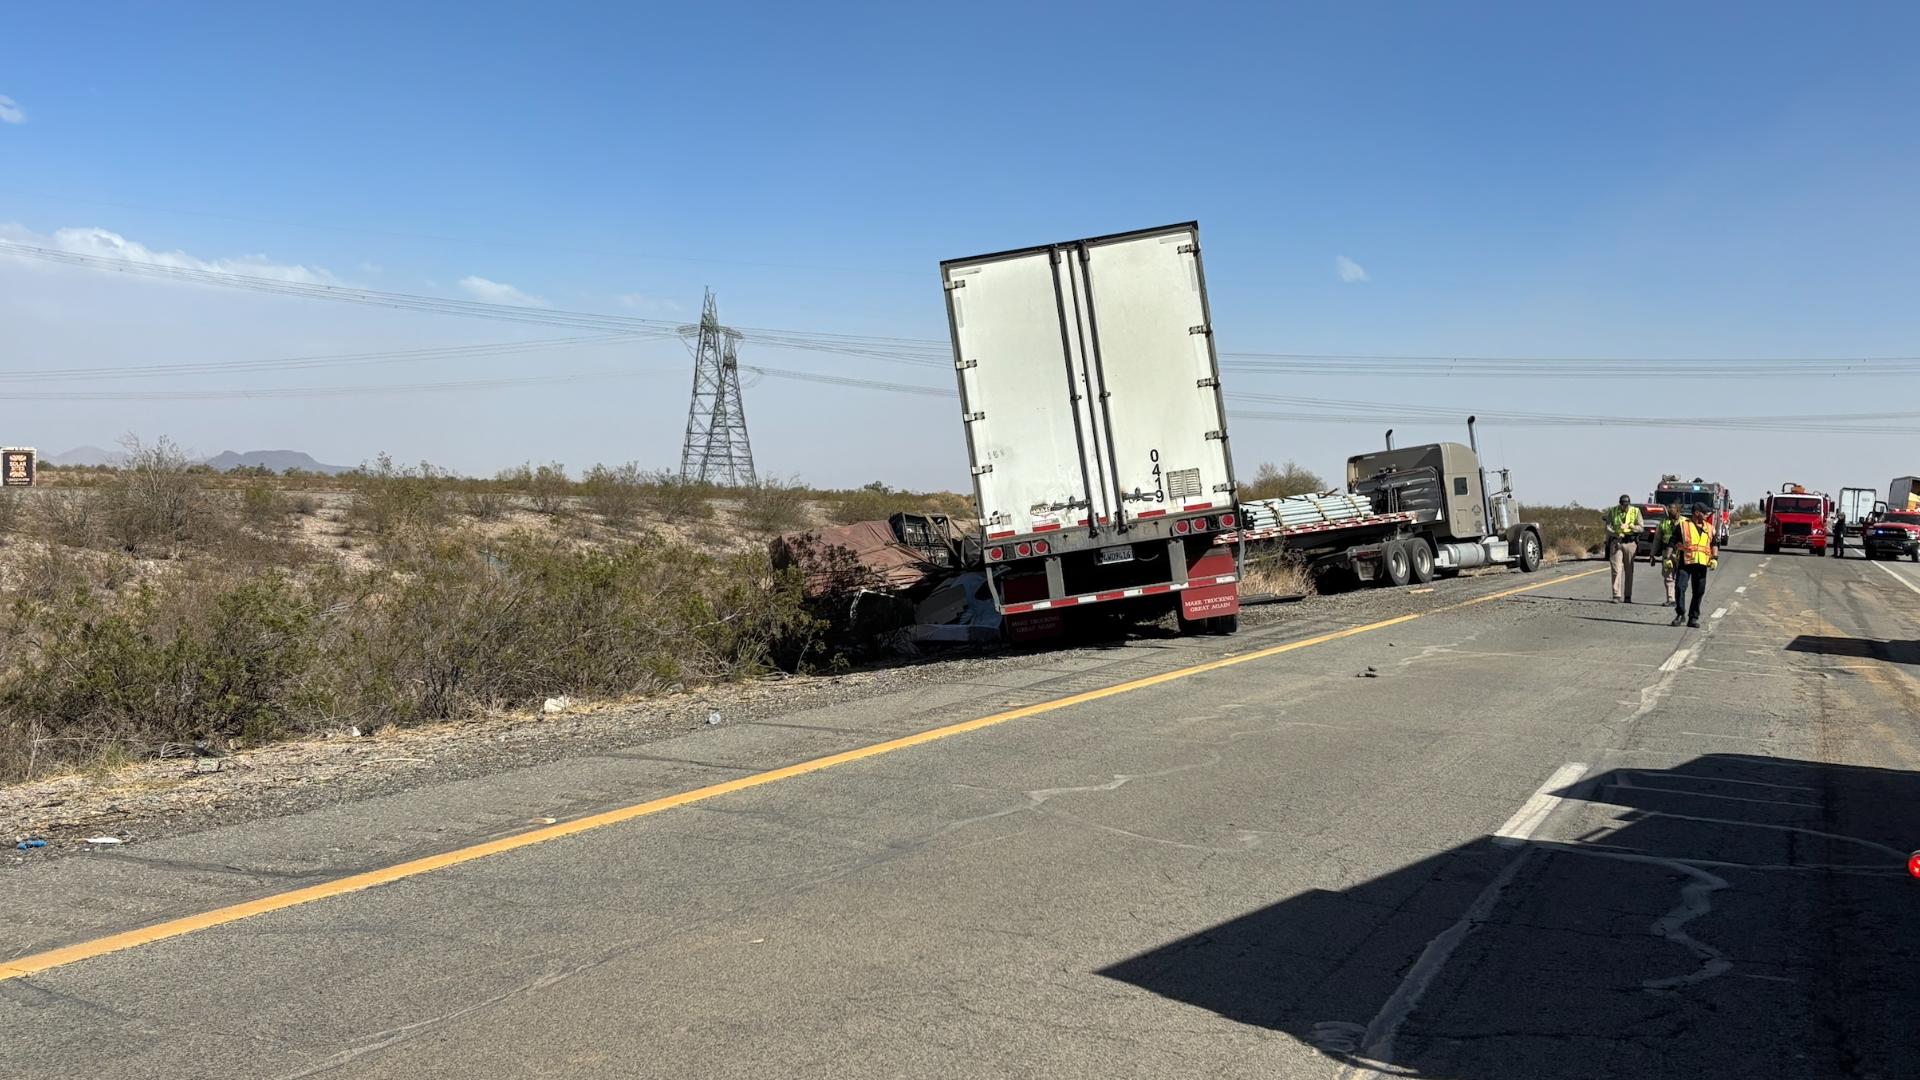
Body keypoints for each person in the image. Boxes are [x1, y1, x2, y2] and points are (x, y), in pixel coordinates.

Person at [1672, 503, 1719, 628]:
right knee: (1679, 587)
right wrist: (1667, 557)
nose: (1707, 515)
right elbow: (1672, 541)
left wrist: (1714, 558)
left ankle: (1693, 618)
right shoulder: (1683, 526)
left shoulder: (1709, 527)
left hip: (1701, 564)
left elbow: (1714, 543)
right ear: (1697, 513)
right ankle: (1680, 614)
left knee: (1699, 591)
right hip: (1685, 562)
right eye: (1705, 513)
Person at [1603, 495, 1642, 603]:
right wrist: (1615, 533)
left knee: (1629, 570)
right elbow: (1607, 527)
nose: (1624, 506)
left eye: (1626, 504)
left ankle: (1628, 595)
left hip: (1630, 543)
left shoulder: (1635, 511)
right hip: (1617, 541)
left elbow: (1641, 527)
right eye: (1623, 504)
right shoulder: (1613, 511)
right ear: (1620, 503)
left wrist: (1630, 526)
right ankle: (1616, 595)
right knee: (1616, 569)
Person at [1647, 508, 1678, 605]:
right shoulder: (1663, 523)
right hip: (1666, 552)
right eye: (1669, 511)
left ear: (1678, 511)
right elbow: (1657, 539)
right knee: (1668, 576)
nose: (1670, 512)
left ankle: (1680, 599)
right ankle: (1671, 599)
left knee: (1681, 577)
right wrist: (1652, 554)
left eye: (1673, 510)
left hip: (1680, 553)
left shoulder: (1684, 522)